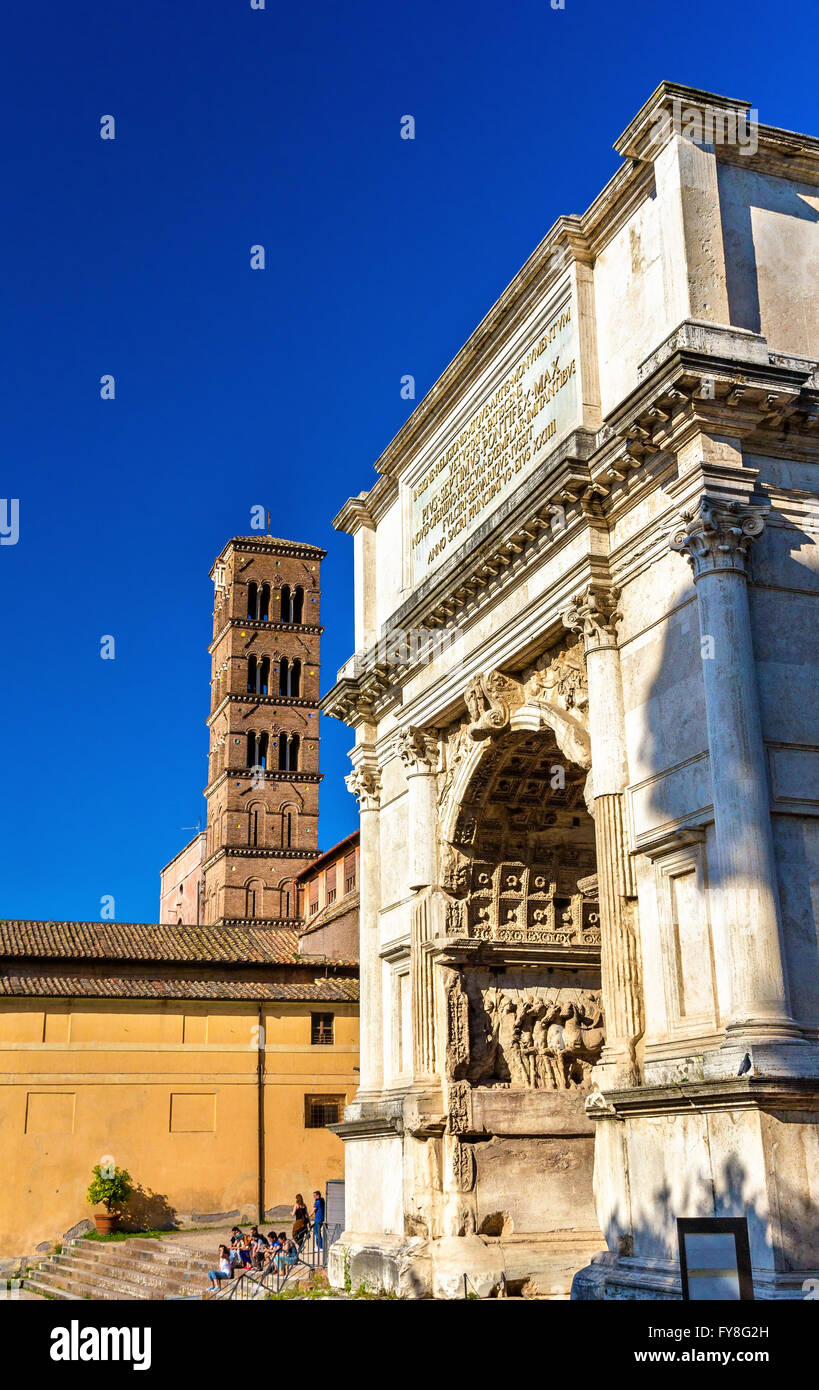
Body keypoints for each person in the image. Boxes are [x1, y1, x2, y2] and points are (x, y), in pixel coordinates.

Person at [312, 1190, 326, 1259]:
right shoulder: (322, 1201)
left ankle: (320, 1247)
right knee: (316, 1233)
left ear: (318, 1195)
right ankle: (318, 1246)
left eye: (314, 1195)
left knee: (317, 1233)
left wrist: (308, 1216)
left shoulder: (317, 1202)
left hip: (318, 1220)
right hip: (320, 1219)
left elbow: (313, 1211)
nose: (313, 1197)